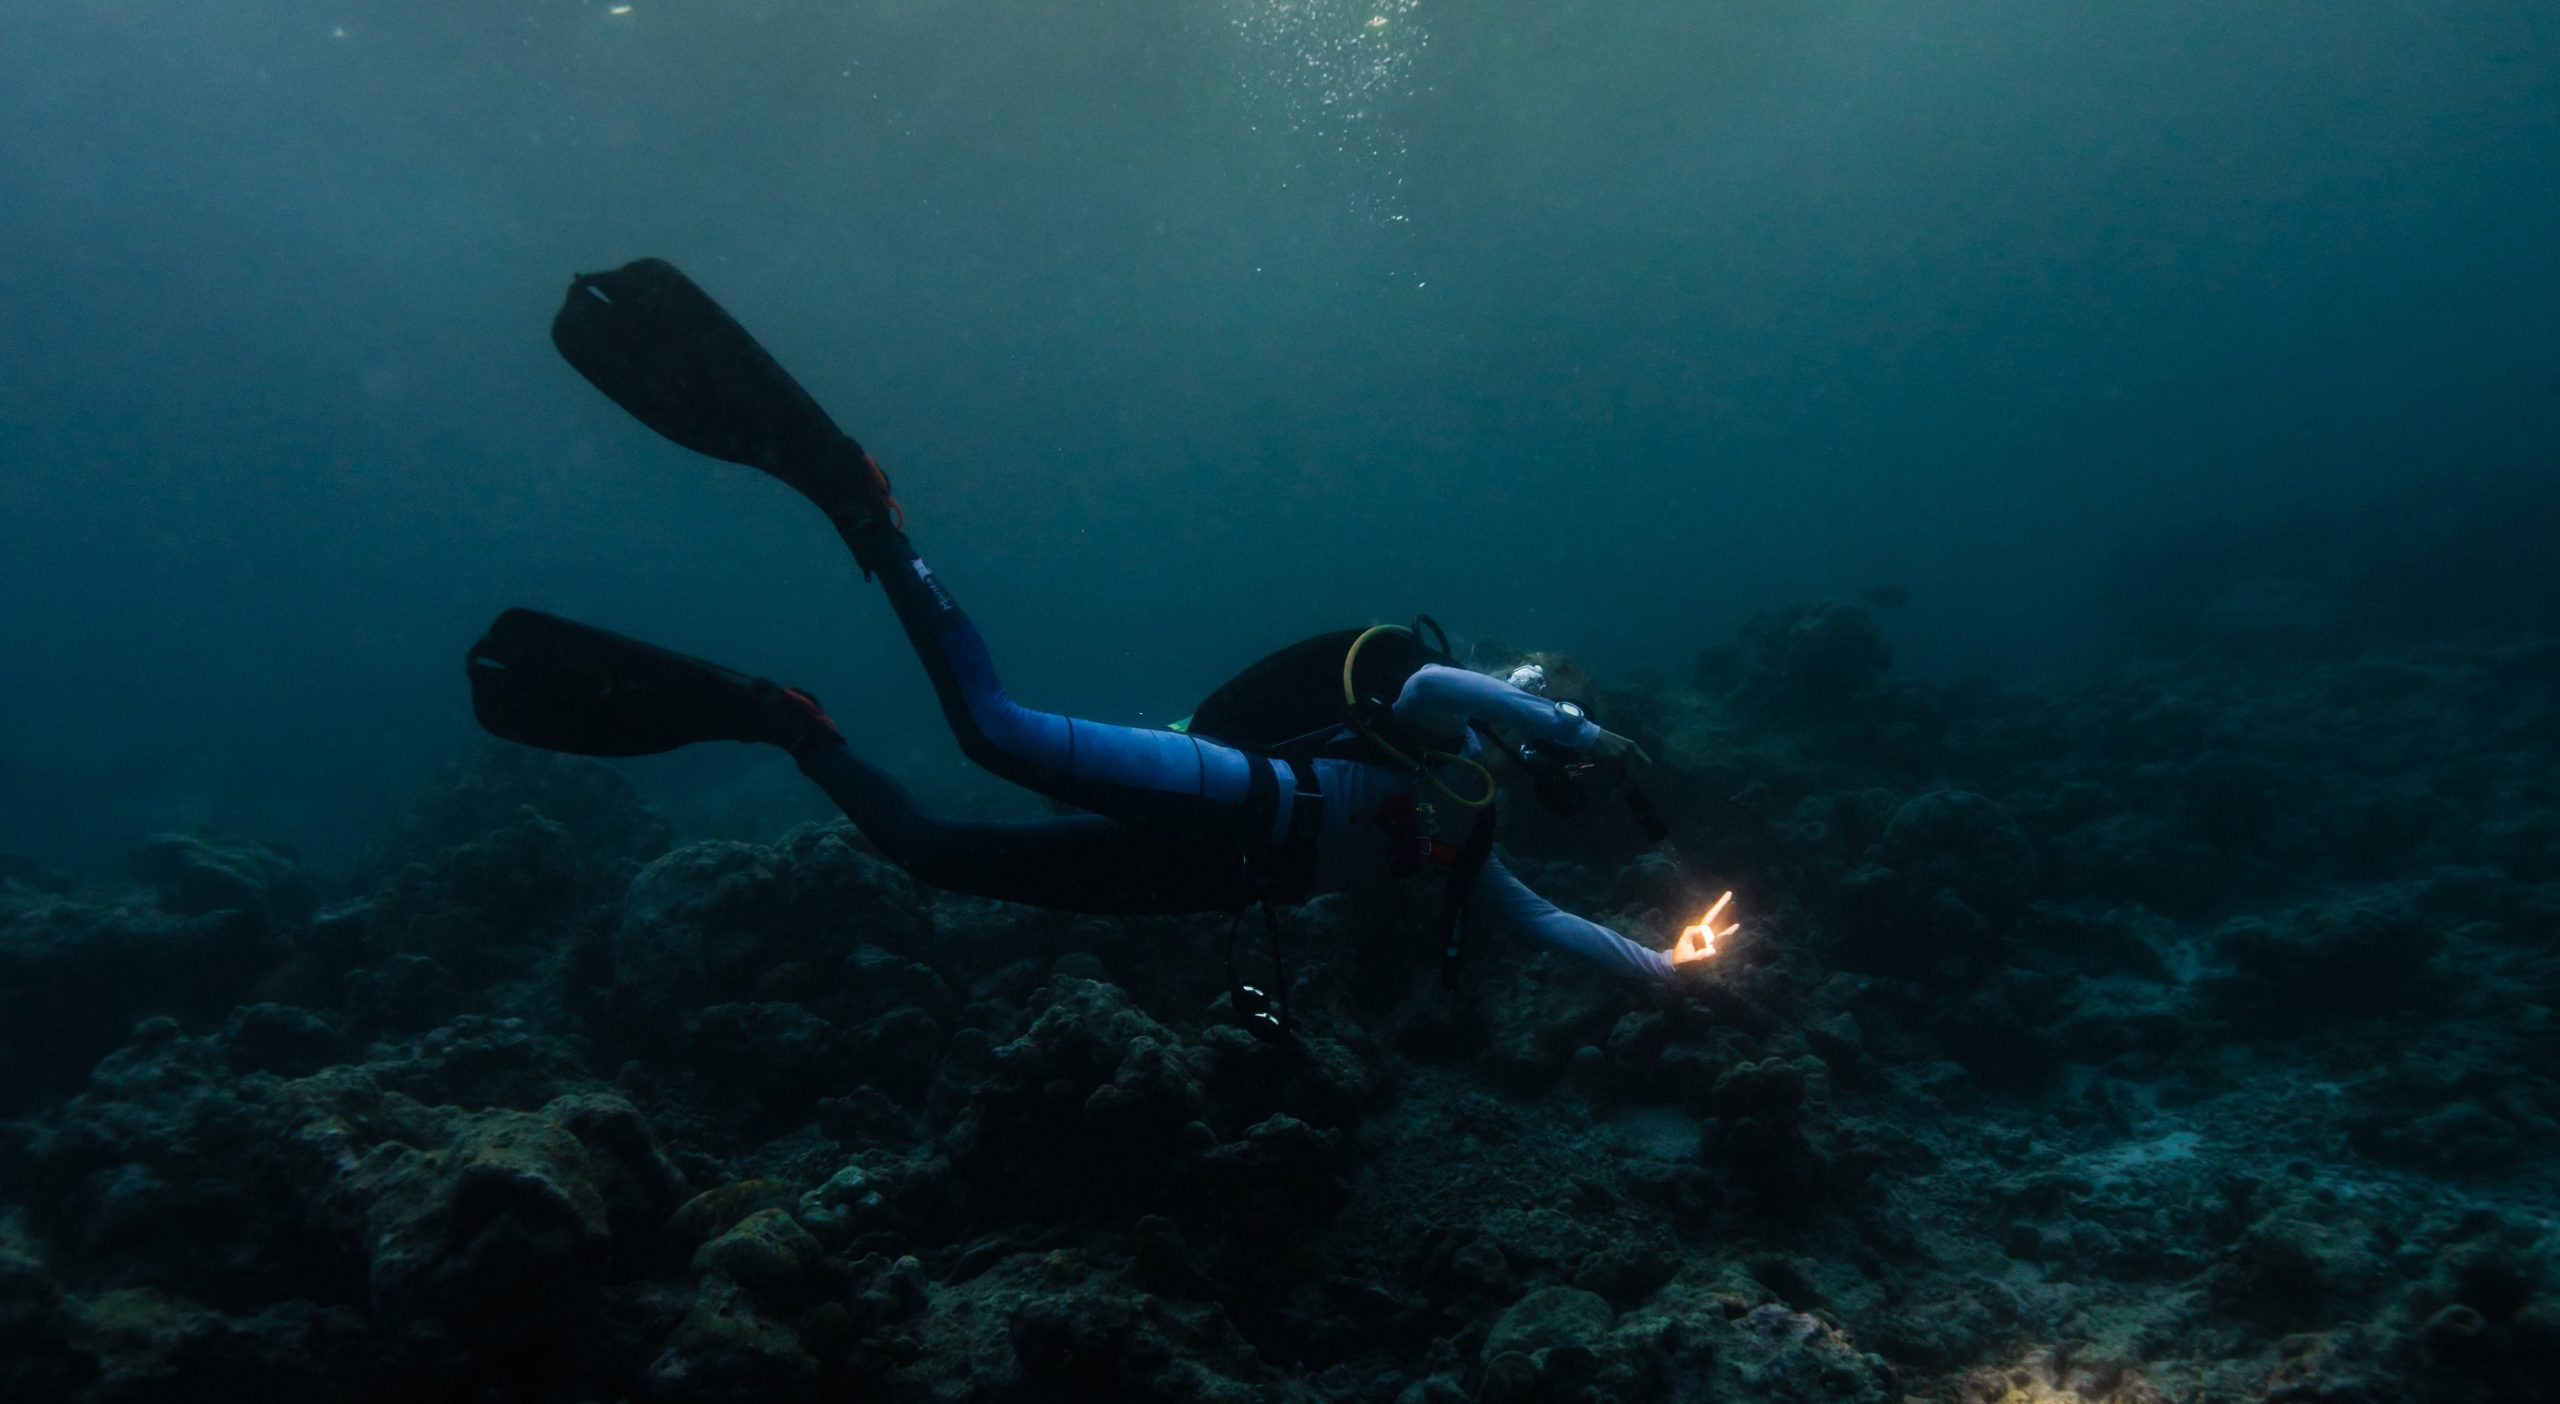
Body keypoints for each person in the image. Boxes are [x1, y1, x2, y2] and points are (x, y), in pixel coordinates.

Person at [468, 259, 1726, 1004]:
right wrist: (1572, 724)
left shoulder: (1471, 830)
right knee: (993, 734)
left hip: (1207, 878)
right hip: (1234, 791)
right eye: (1532, 687)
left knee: (935, 857)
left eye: (1541, 707)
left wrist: (1663, 973)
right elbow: (1455, 687)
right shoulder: (1430, 714)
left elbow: (1551, 927)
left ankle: (781, 723)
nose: (1527, 717)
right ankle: (862, 506)